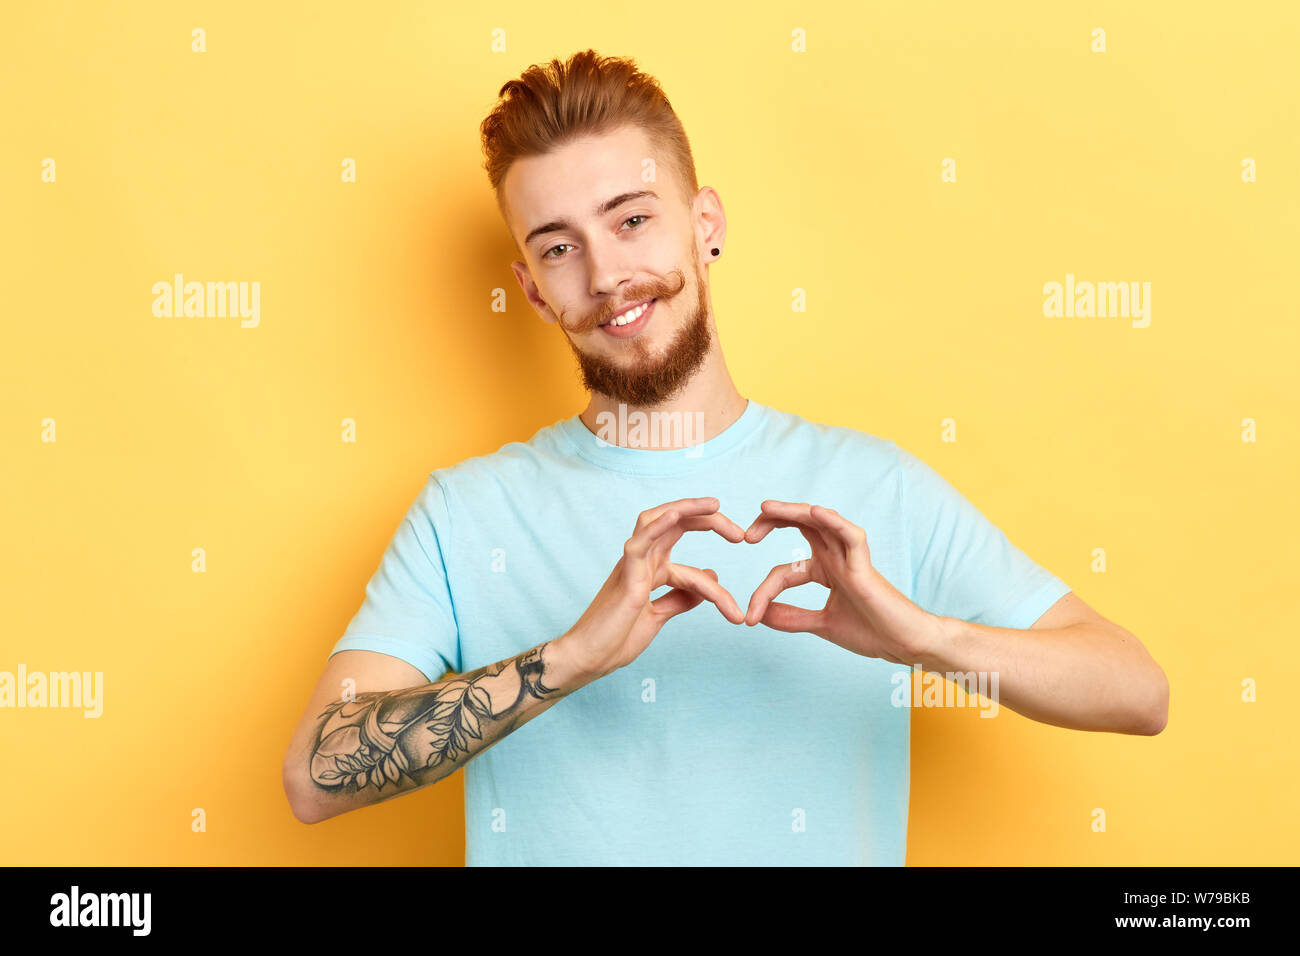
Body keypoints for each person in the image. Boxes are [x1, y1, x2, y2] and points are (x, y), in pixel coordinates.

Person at [281, 49, 1168, 865]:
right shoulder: (466, 514)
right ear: (531, 290)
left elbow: (1135, 690)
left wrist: (924, 639)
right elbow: (313, 778)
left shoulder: (873, 486)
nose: (605, 276)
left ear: (706, 224)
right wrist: (571, 659)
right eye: (558, 247)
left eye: (632, 219)